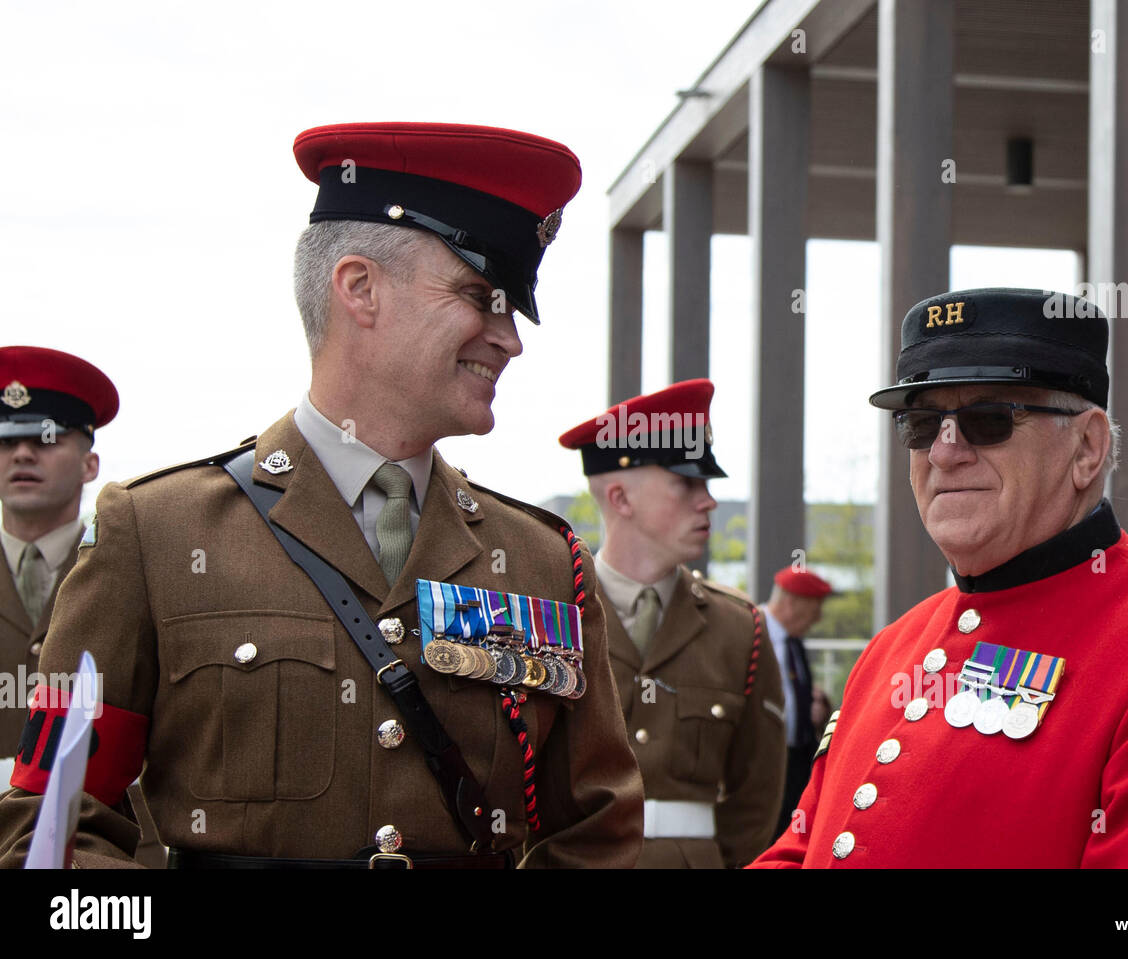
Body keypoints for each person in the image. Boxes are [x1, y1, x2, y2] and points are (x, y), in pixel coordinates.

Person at [0, 121, 643, 869]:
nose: (510, 338)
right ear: (360, 289)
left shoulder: (541, 559)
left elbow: (599, 835)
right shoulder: (153, 532)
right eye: (483, 296)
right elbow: (51, 822)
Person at [752, 287, 1128, 868]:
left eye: (988, 420)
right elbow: (802, 851)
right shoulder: (890, 649)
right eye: (922, 424)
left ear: (1087, 448)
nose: (945, 452)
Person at [559, 378, 785, 867]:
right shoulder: (552, 612)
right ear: (620, 498)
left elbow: (758, 792)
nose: (708, 501)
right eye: (687, 482)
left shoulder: (739, 626)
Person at [0, 347, 117, 775]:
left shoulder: (133, 567)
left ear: (90, 465)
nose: (23, 454)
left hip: (97, 836)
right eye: (5, 441)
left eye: (46, 439)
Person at [760, 564, 831, 843]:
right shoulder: (751, 632)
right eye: (815, 607)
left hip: (797, 762)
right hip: (766, 763)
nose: (818, 617)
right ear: (791, 603)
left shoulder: (794, 643)